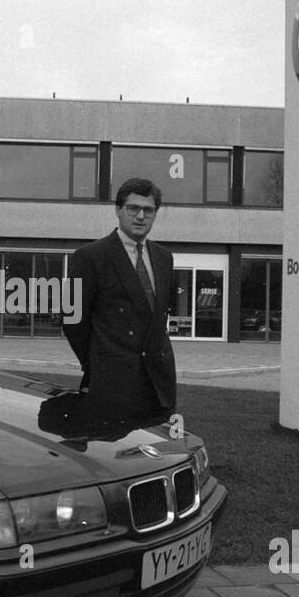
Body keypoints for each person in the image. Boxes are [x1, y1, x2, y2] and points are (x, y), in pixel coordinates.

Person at [64, 178, 177, 420]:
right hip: (112, 384)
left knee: (157, 455)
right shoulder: (89, 257)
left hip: (159, 385)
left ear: (156, 213)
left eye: (148, 210)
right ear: (118, 210)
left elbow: (159, 318)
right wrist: (98, 363)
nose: (140, 216)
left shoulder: (164, 258)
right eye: (132, 208)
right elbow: (72, 320)